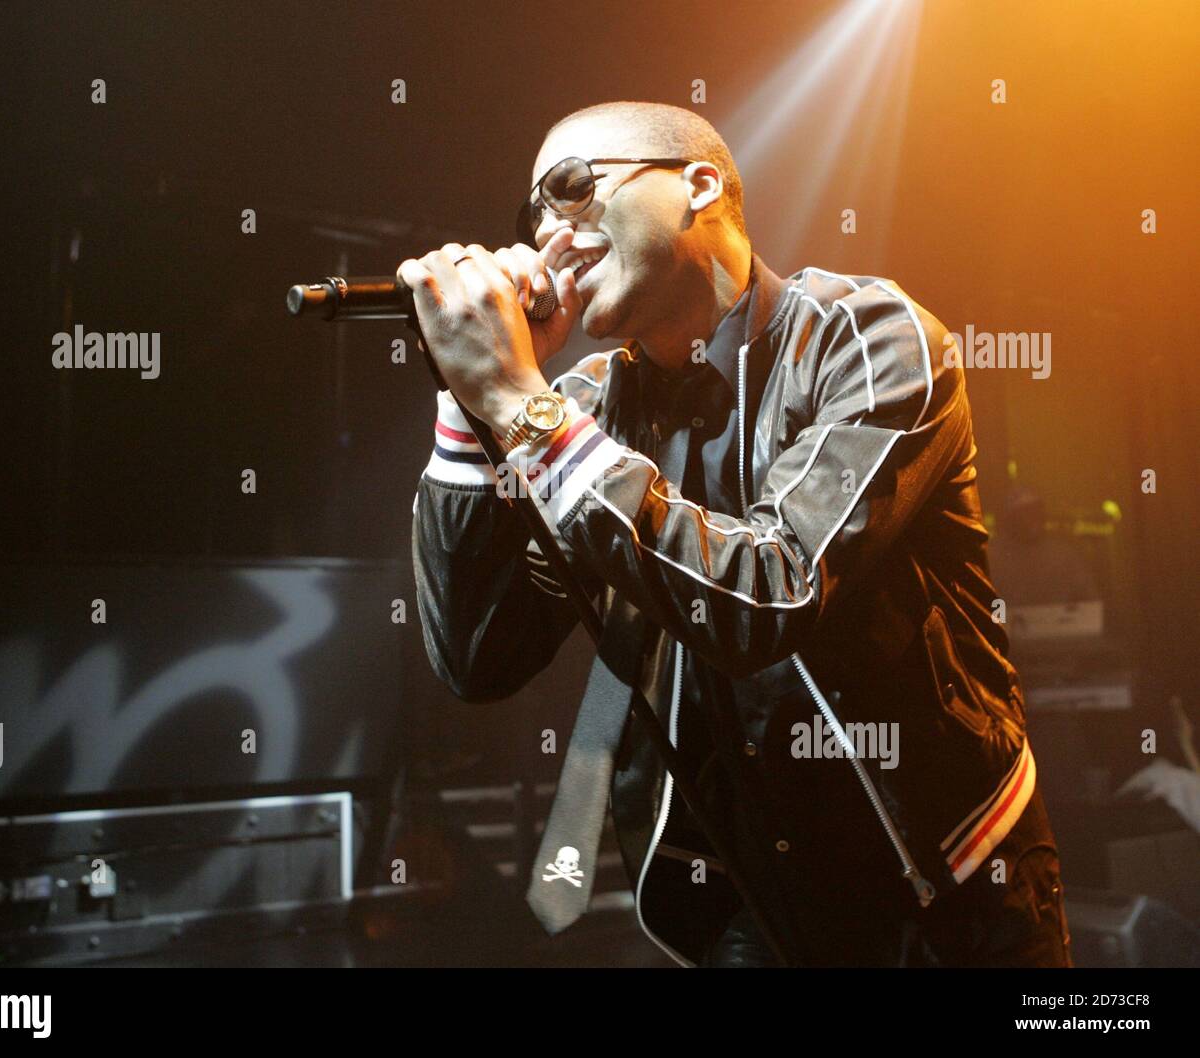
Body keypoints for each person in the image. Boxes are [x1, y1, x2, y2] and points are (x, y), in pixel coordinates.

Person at [399, 101, 1071, 967]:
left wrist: (518, 404)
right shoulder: (590, 407)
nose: (547, 236)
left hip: (938, 882)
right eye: (532, 215)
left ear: (700, 186)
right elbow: (479, 657)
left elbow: (768, 594)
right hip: (735, 904)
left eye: (568, 190)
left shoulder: (868, 339)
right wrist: (468, 408)